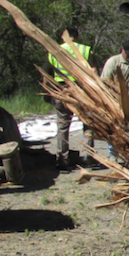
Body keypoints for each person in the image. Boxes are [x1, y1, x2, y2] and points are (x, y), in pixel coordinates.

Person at [44, 26, 94, 170]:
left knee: (63, 126)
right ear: (76, 37)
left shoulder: (54, 52)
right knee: (88, 123)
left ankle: (62, 158)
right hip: (82, 92)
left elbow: (46, 76)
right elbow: (94, 71)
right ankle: (88, 156)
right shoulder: (85, 50)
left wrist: (48, 95)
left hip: (62, 92)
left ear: (64, 36)